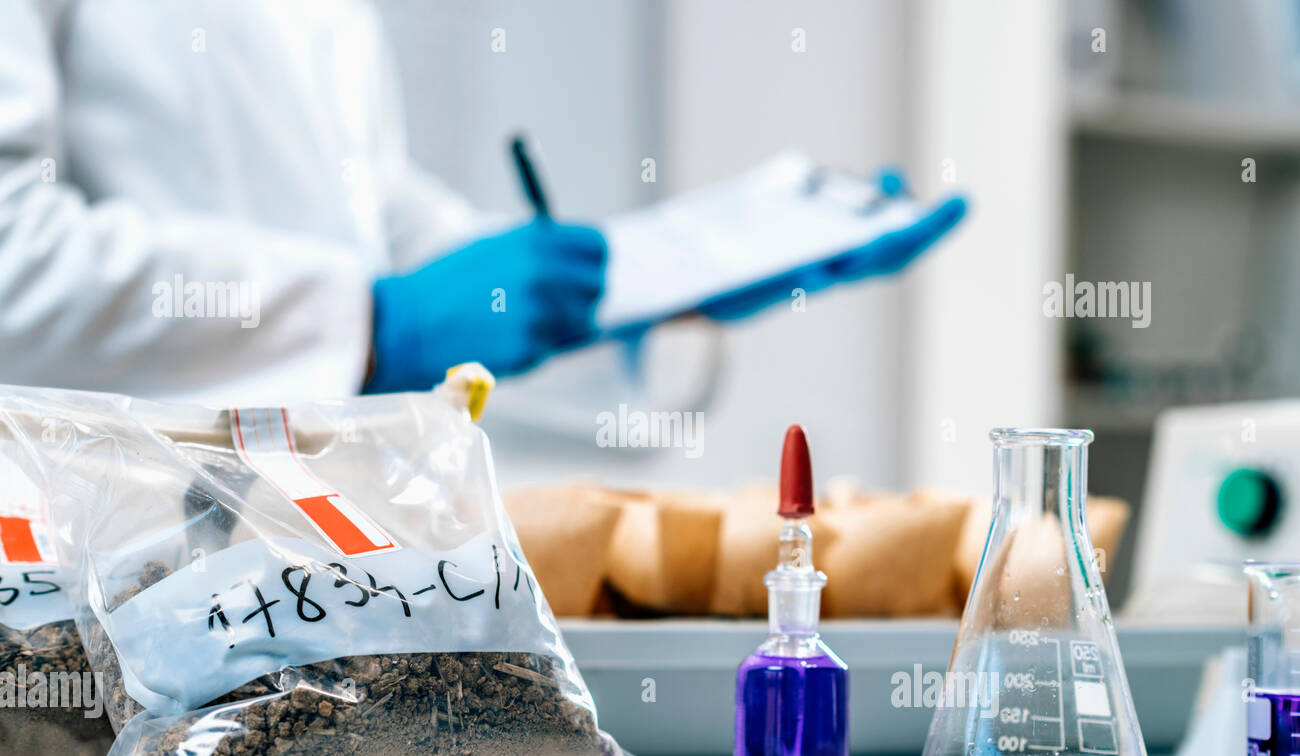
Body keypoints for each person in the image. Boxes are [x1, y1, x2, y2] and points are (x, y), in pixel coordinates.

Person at [0, 0, 962, 407]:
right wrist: (370, 323)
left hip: (292, 570)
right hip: (76, 596)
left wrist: (654, 274)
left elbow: (365, 215)